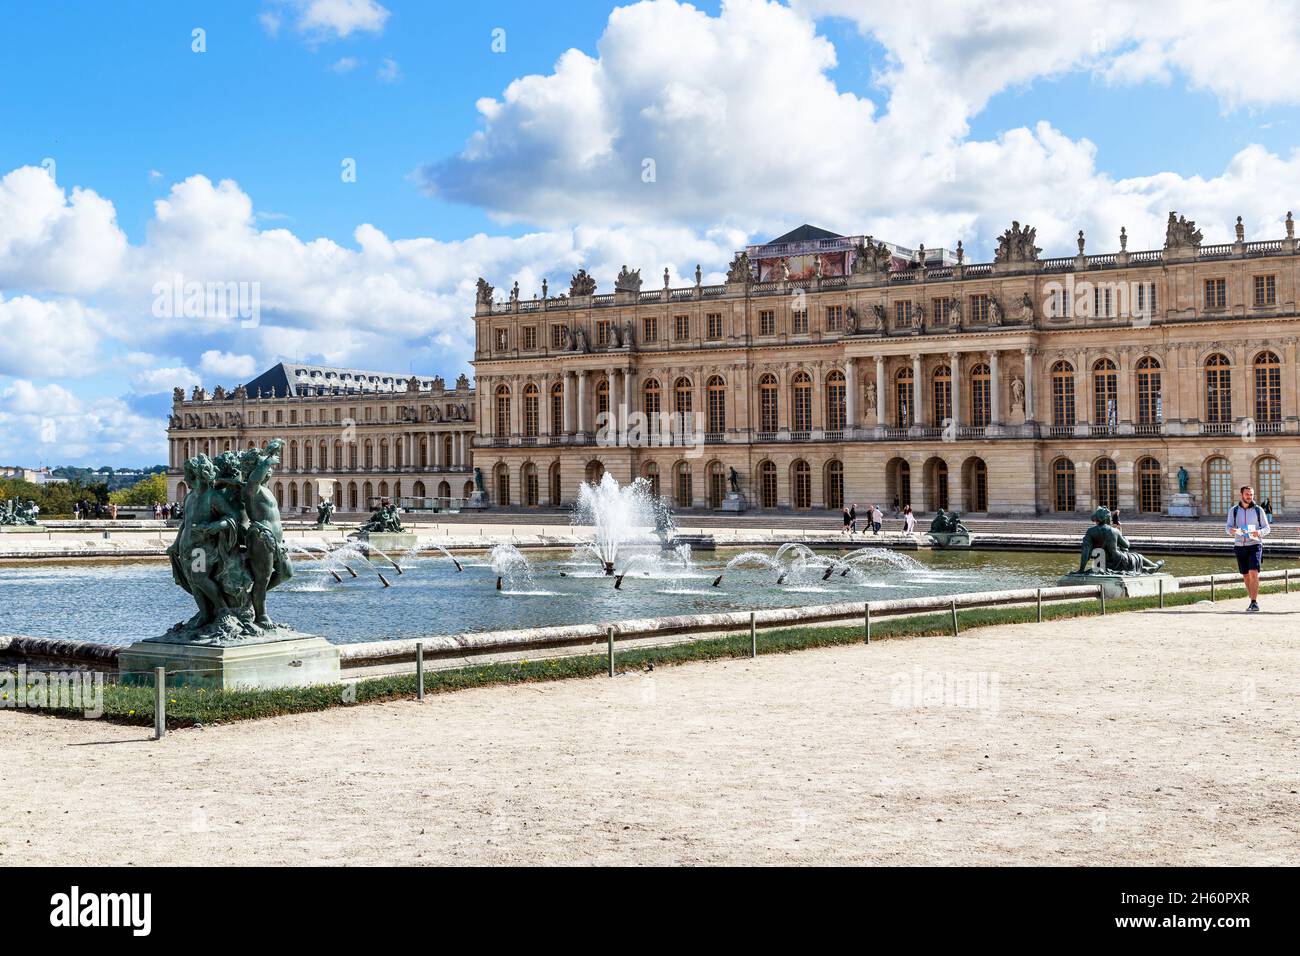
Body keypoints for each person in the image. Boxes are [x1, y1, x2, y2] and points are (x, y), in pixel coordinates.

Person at [1226, 484, 1270, 612]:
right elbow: (1227, 527)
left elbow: (1267, 528)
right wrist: (1232, 531)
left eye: (1251, 494)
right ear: (1241, 495)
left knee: (1253, 572)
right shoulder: (1233, 510)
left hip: (1255, 544)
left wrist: (1259, 533)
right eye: (1247, 494)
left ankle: (1254, 601)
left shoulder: (1259, 510)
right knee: (1245, 575)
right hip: (1240, 545)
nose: (1249, 497)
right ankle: (1251, 598)